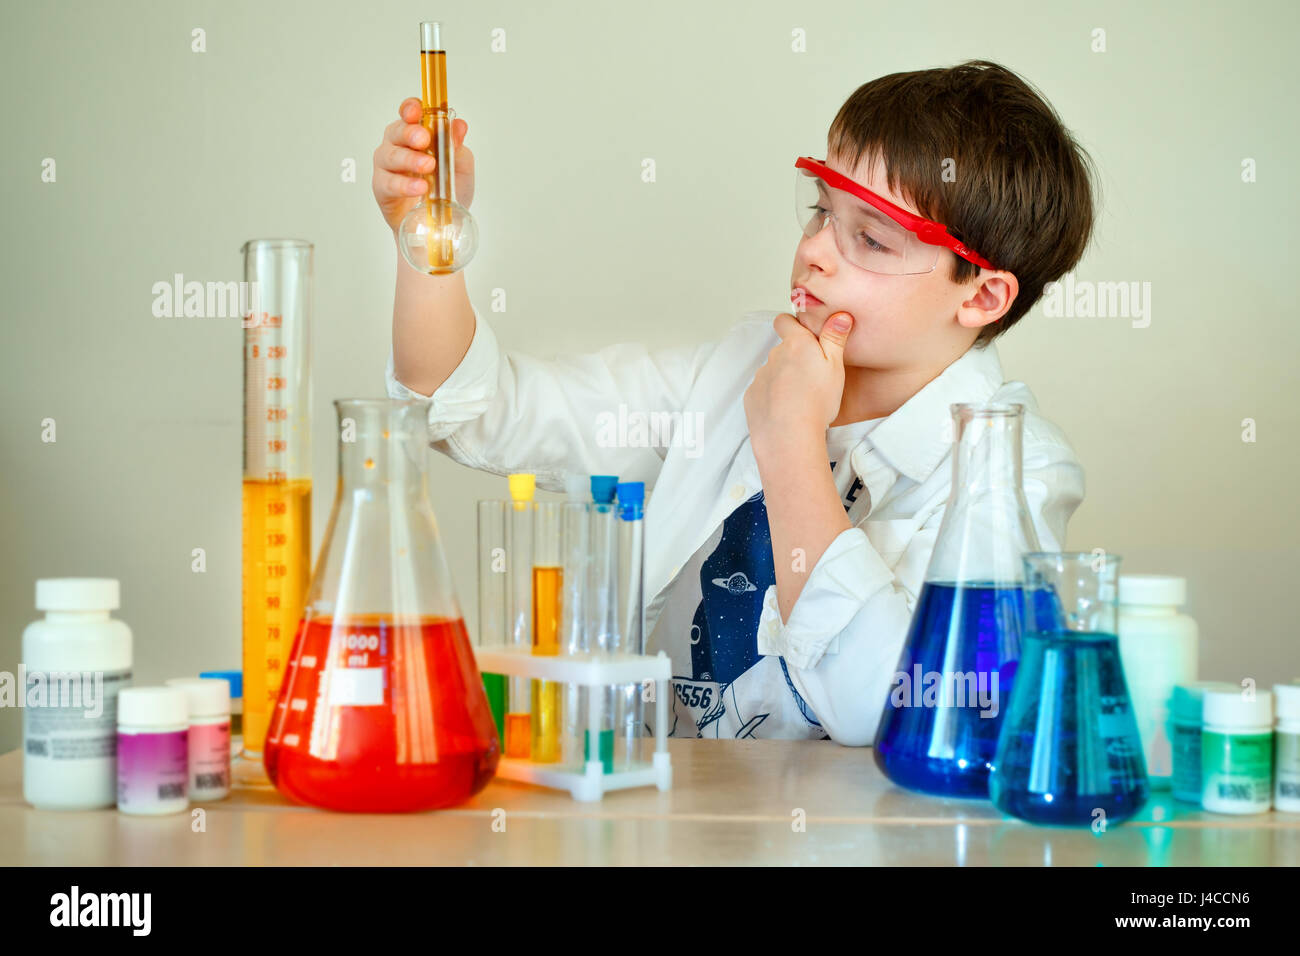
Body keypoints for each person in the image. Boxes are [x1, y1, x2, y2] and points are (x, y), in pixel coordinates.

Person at [375, 60, 1095, 745]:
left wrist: (790, 444)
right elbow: (469, 405)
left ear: (983, 295)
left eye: (871, 239)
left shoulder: (1014, 468)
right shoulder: (739, 368)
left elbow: (893, 707)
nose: (815, 251)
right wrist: (427, 236)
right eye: (820, 211)